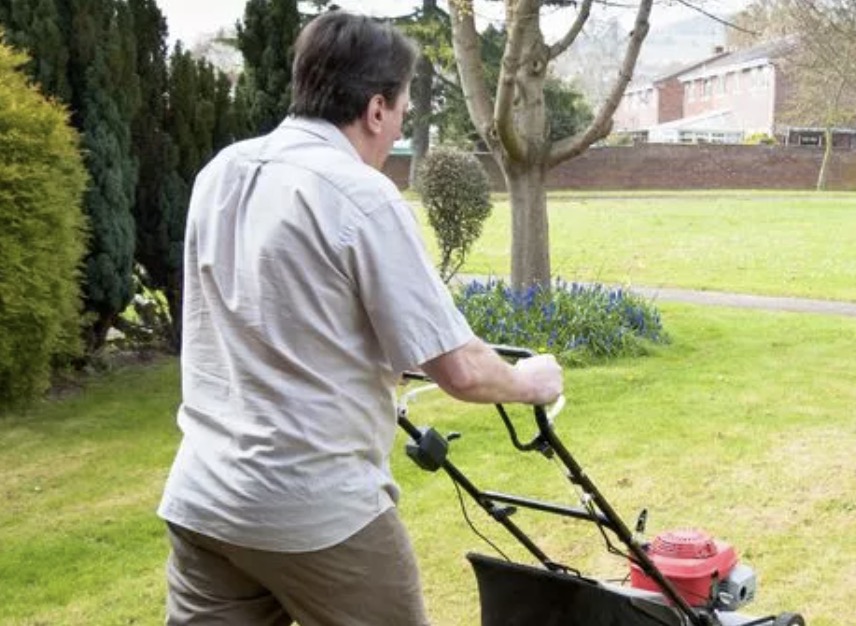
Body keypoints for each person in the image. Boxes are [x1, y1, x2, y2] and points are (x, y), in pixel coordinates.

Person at [157, 10, 563, 626]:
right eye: (401, 109)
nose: (399, 122)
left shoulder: (222, 171)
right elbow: (458, 367)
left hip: (205, 500)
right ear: (377, 110)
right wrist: (533, 381)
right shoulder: (358, 193)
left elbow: (265, 317)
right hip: (314, 509)